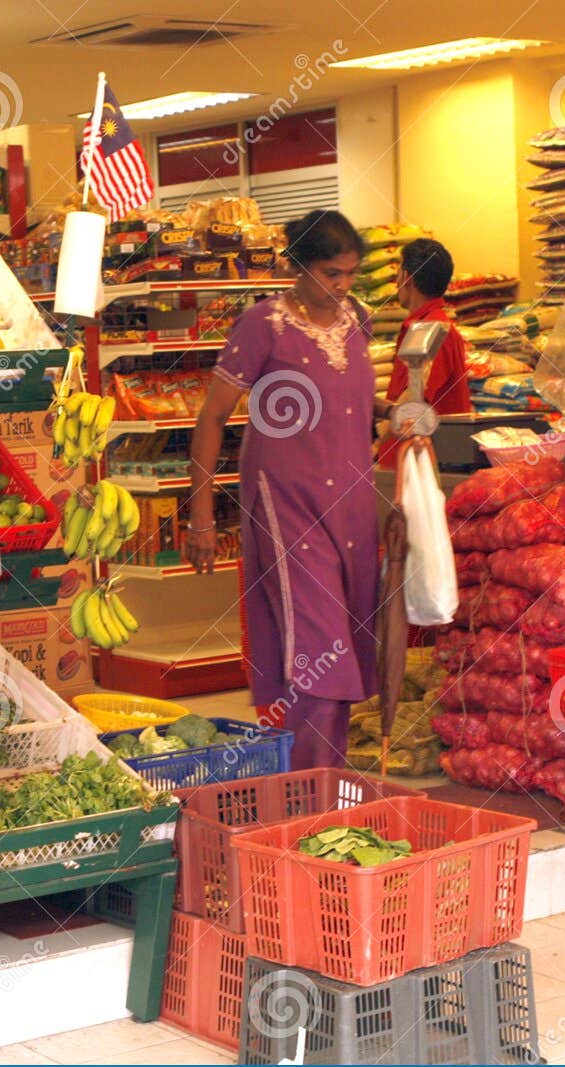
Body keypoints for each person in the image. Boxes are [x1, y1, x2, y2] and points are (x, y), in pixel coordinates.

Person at [185, 210, 390, 769]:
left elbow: (347, 395)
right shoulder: (264, 325)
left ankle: (323, 778)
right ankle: (308, 790)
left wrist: (395, 411)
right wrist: (201, 518)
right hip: (287, 502)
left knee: (346, 641)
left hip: (350, 502)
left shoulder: (357, 320)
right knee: (317, 646)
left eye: (350, 274)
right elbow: (211, 419)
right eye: (330, 273)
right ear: (296, 266)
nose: (341, 286)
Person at [375, 238, 471, 471]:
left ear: (406, 276)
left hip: (427, 464)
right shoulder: (422, 325)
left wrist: (376, 440)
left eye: (397, 273)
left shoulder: (435, 329)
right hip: (409, 458)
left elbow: (414, 394)